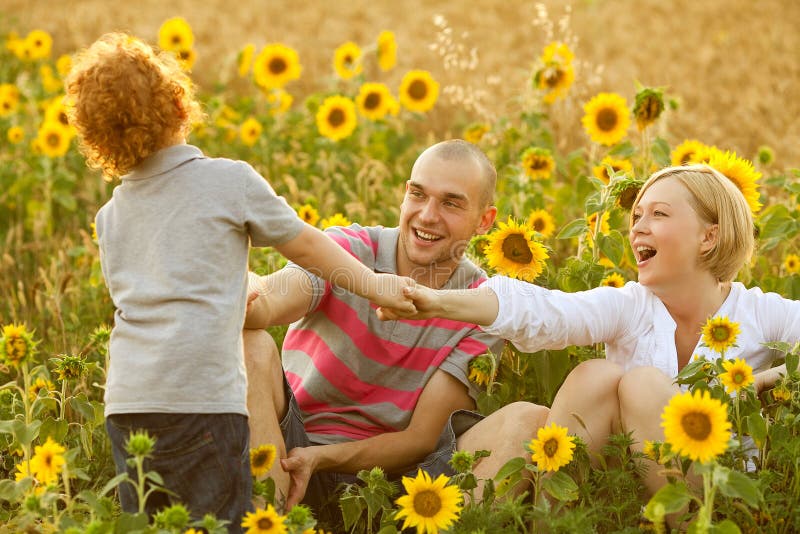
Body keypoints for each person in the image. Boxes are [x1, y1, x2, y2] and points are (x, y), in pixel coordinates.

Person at [64, 32, 413, 531]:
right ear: (177, 101)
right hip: (202, 399)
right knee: (219, 521)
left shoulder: (110, 216)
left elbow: (169, 283)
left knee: (150, 522)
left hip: (128, 401)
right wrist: (376, 286)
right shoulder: (229, 181)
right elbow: (308, 247)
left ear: (98, 140)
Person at [379, 164, 797, 495]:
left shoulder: (761, 314)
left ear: (709, 236)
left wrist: (774, 377)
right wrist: (436, 301)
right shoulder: (630, 306)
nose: (637, 227)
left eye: (659, 214)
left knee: (643, 386)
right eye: (636, 216)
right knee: (596, 375)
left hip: (715, 496)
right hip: (618, 493)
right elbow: (545, 311)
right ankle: (555, 520)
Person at [244, 139, 549, 520]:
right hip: (290, 450)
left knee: (529, 420)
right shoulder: (348, 252)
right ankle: (267, 521)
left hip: (397, 486)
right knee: (251, 345)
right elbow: (270, 302)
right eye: (417, 194)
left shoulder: (479, 305)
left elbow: (419, 439)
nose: (427, 215)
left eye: (451, 203)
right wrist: (248, 293)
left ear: (484, 220)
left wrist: (322, 459)